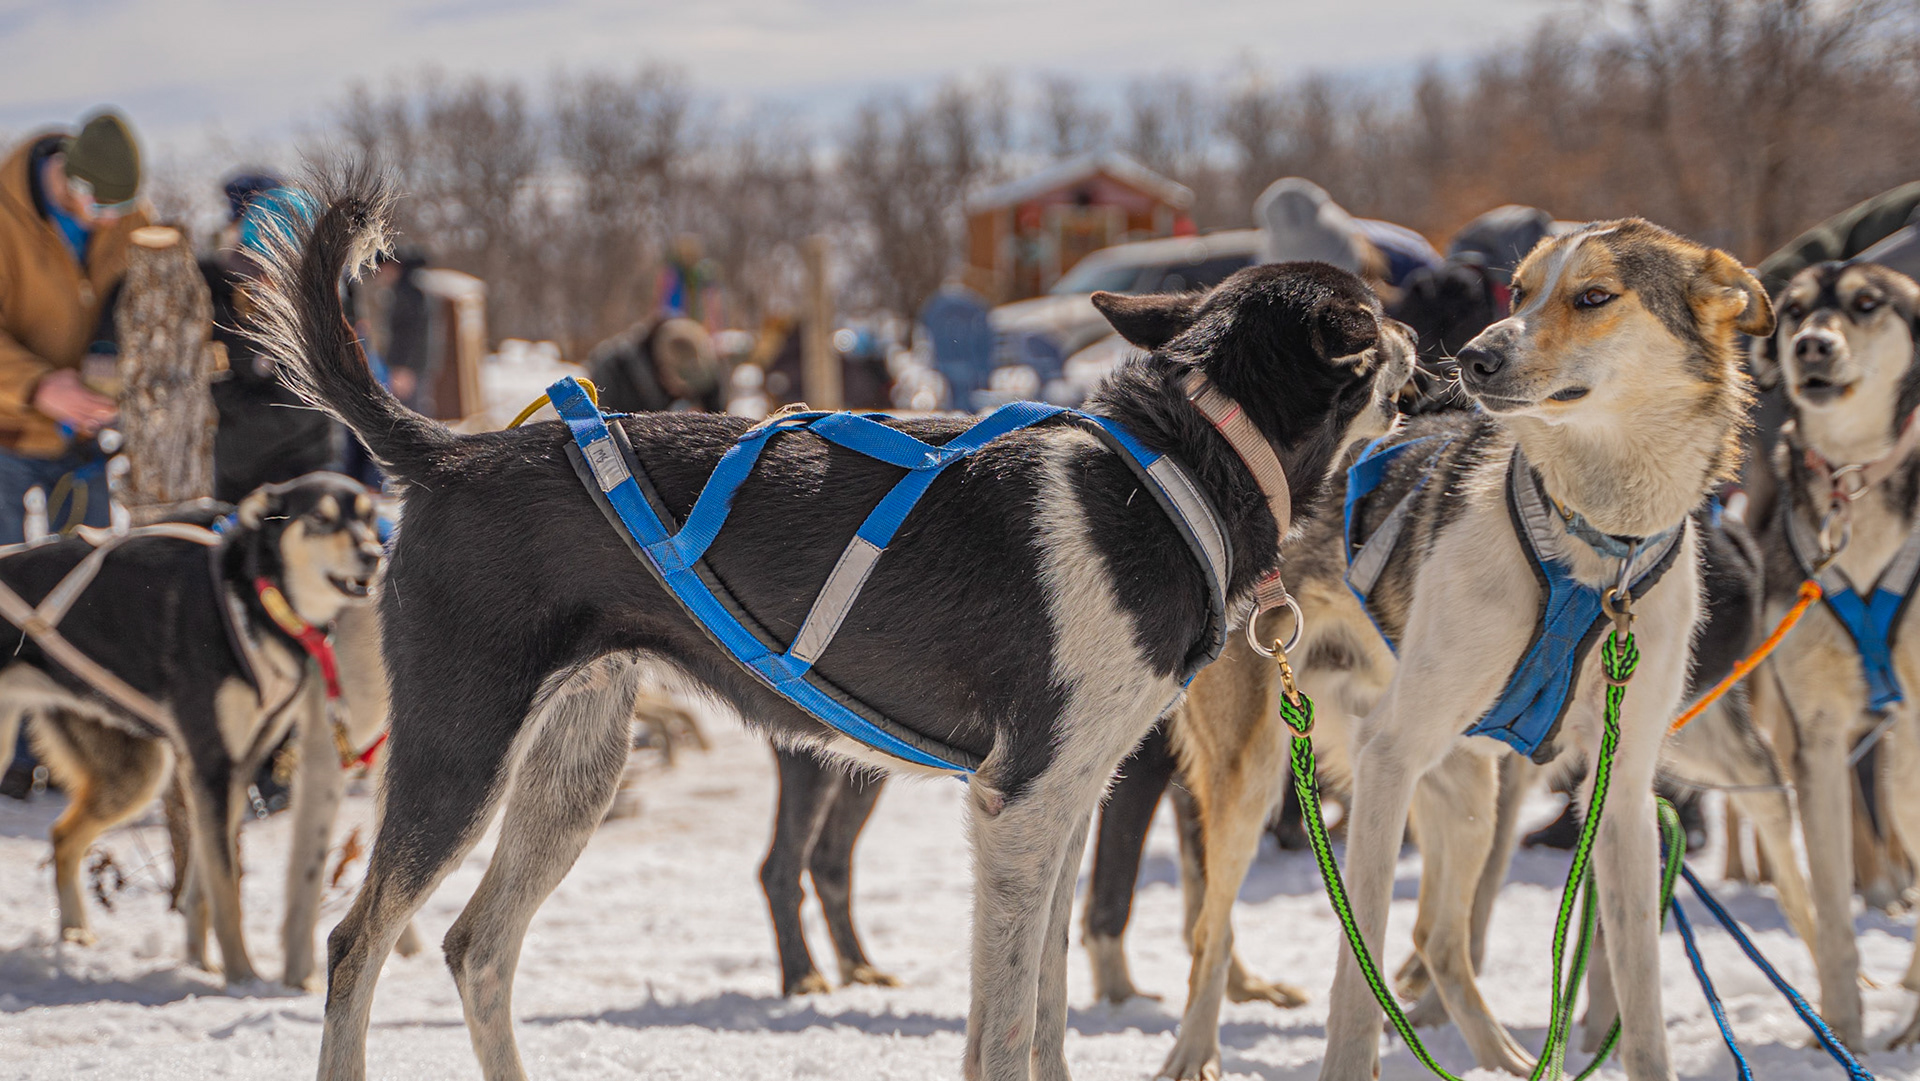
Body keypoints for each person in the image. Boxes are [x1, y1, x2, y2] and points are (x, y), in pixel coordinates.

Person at [0, 110, 149, 799]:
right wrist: (41, 385)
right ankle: (8, 756)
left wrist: (117, 359)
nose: (103, 221)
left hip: (84, 441)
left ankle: (66, 746)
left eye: (117, 208)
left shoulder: (123, 216)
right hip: (8, 429)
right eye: (96, 204)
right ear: (65, 177)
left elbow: (137, 295)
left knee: (83, 591)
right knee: (8, 593)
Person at [202, 178, 339, 502]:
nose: (260, 281)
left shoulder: (317, 321)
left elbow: (292, 409)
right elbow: (221, 356)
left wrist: (220, 391)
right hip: (235, 478)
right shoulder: (231, 300)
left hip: (297, 484)